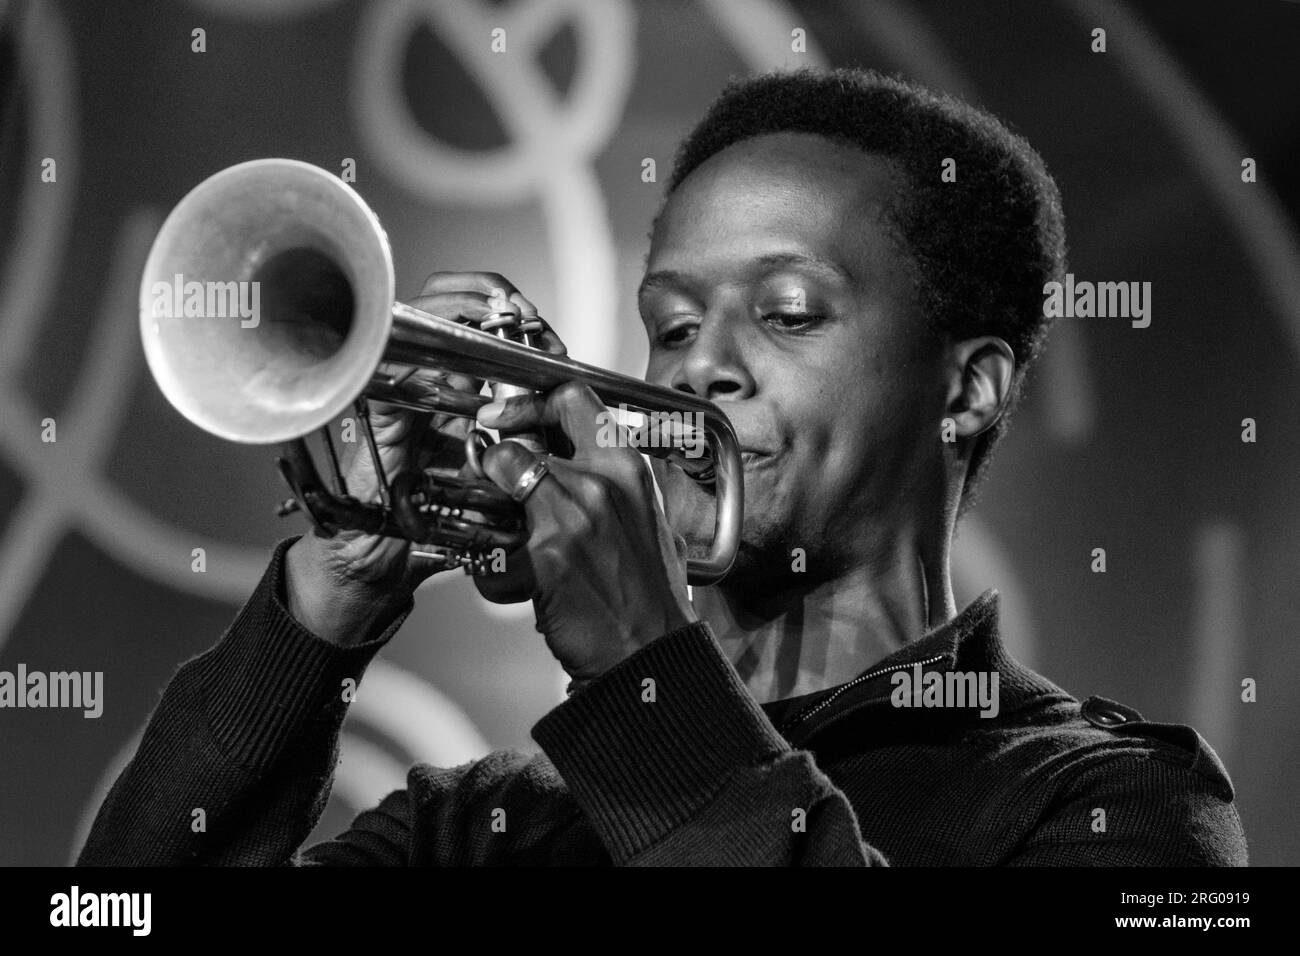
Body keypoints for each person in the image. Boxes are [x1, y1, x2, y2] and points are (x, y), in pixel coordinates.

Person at [78, 67, 1247, 866]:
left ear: (968, 387)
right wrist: (319, 614)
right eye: (674, 323)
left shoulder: (1119, 800)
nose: (705, 371)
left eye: (788, 315)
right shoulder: (492, 818)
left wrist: (647, 672)